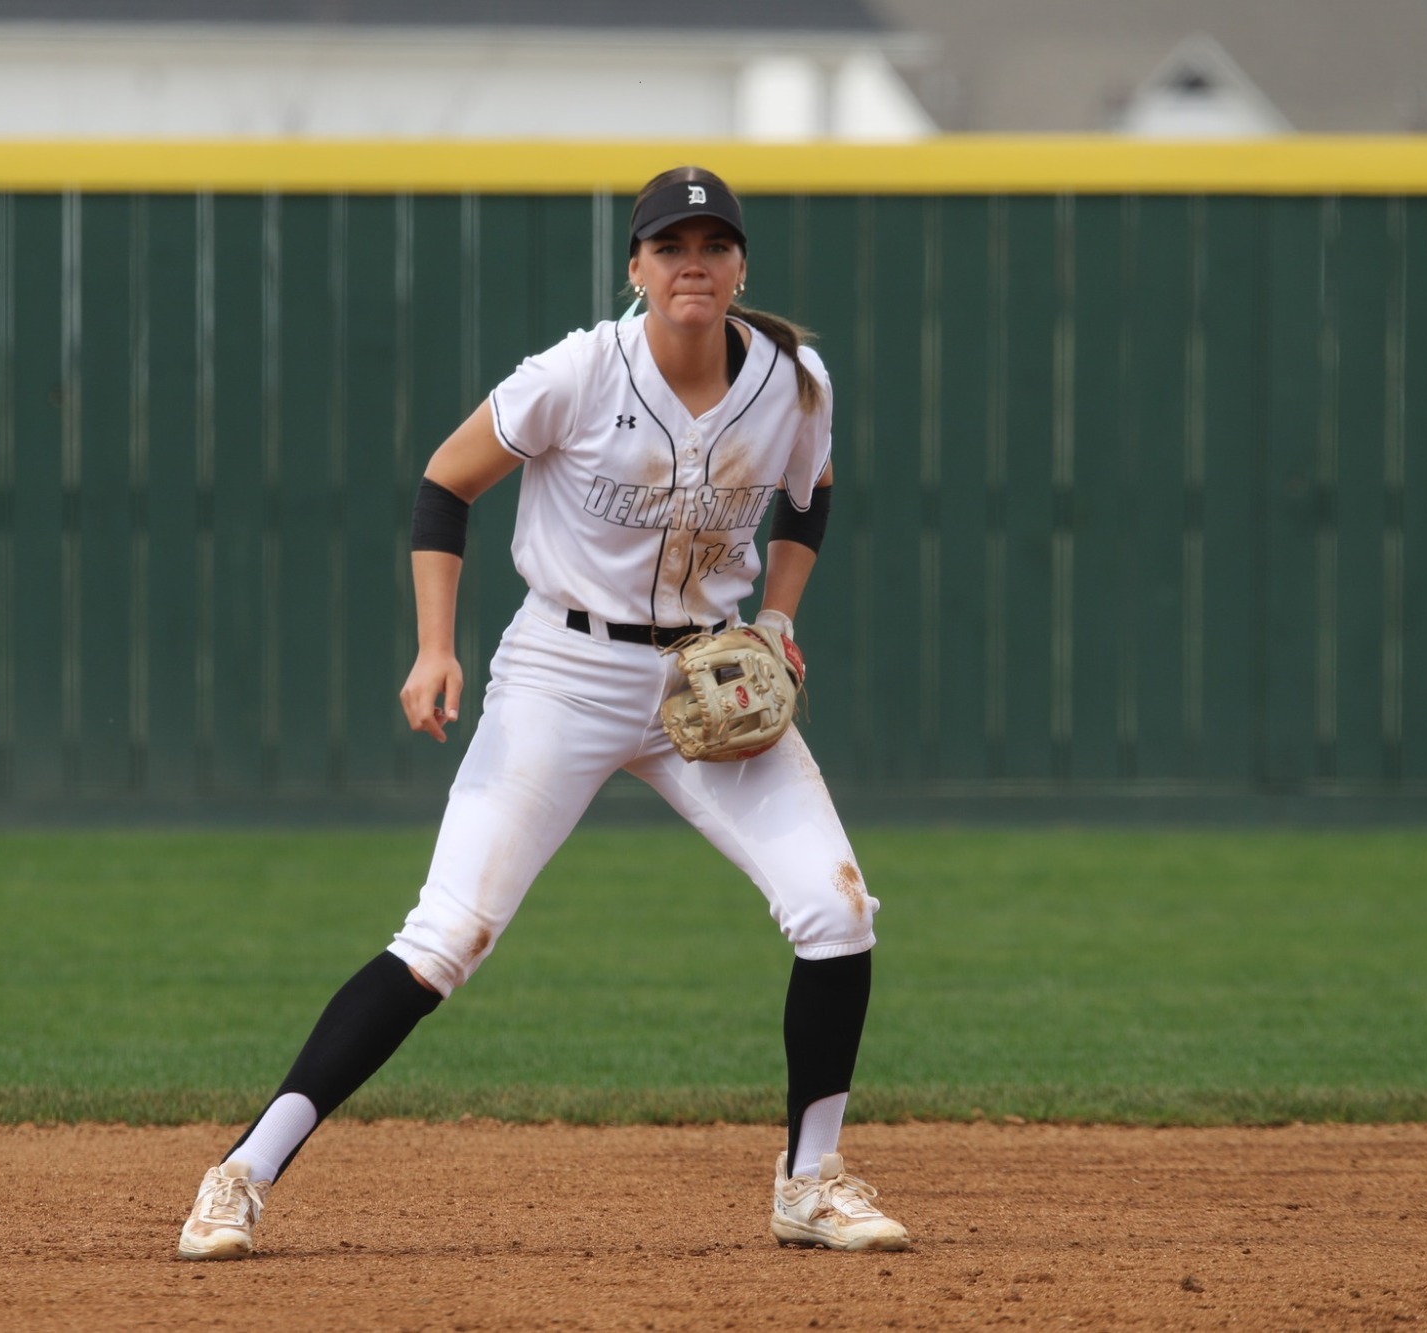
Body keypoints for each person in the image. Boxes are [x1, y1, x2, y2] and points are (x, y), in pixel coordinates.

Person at [179, 165, 908, 1259]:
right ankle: (241, 1172)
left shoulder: (794, 380)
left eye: (712, 245)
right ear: (637, 267)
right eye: (670, 247)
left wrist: (779, 616)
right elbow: (444, 481)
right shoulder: (577, 371)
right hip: (560, 673)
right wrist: (435, 646)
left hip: (706, 682)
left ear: (740, 264)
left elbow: (812, 490)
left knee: (836, 910)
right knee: (443, 938)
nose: (692, 264)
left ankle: (809, 1182)